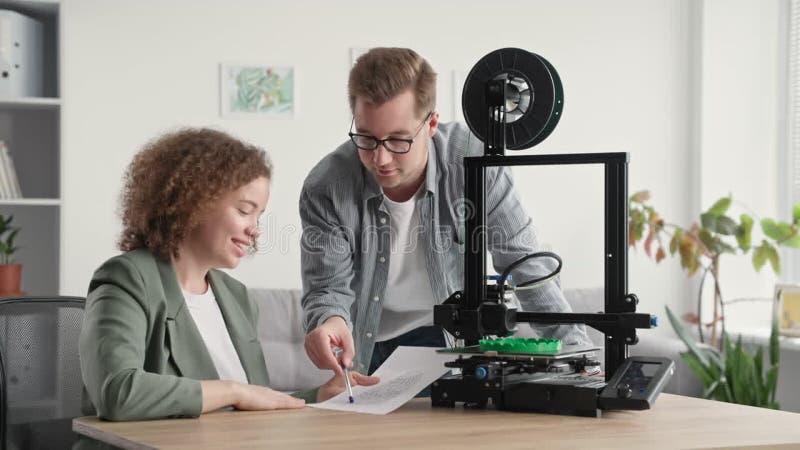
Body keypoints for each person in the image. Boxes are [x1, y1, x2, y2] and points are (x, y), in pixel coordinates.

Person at [300, 47, 591, 377]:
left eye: (398, 141)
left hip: (456, 344)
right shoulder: (327, 186)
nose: (380, 159)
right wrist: (329, 321)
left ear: (431, 124)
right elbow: (328, 289)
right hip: (371, 344)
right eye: (366, 138)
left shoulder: (475, 164)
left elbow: (523, 262)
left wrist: (578, 357)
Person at [79, 128, 377, 421]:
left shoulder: (235, 297)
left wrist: (318, 397)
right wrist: (235, 391)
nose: (255, 229)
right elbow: (117, 392)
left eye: (259, 216)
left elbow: (249, 403)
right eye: (245, 210)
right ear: (194, 200)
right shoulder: (128, 278)